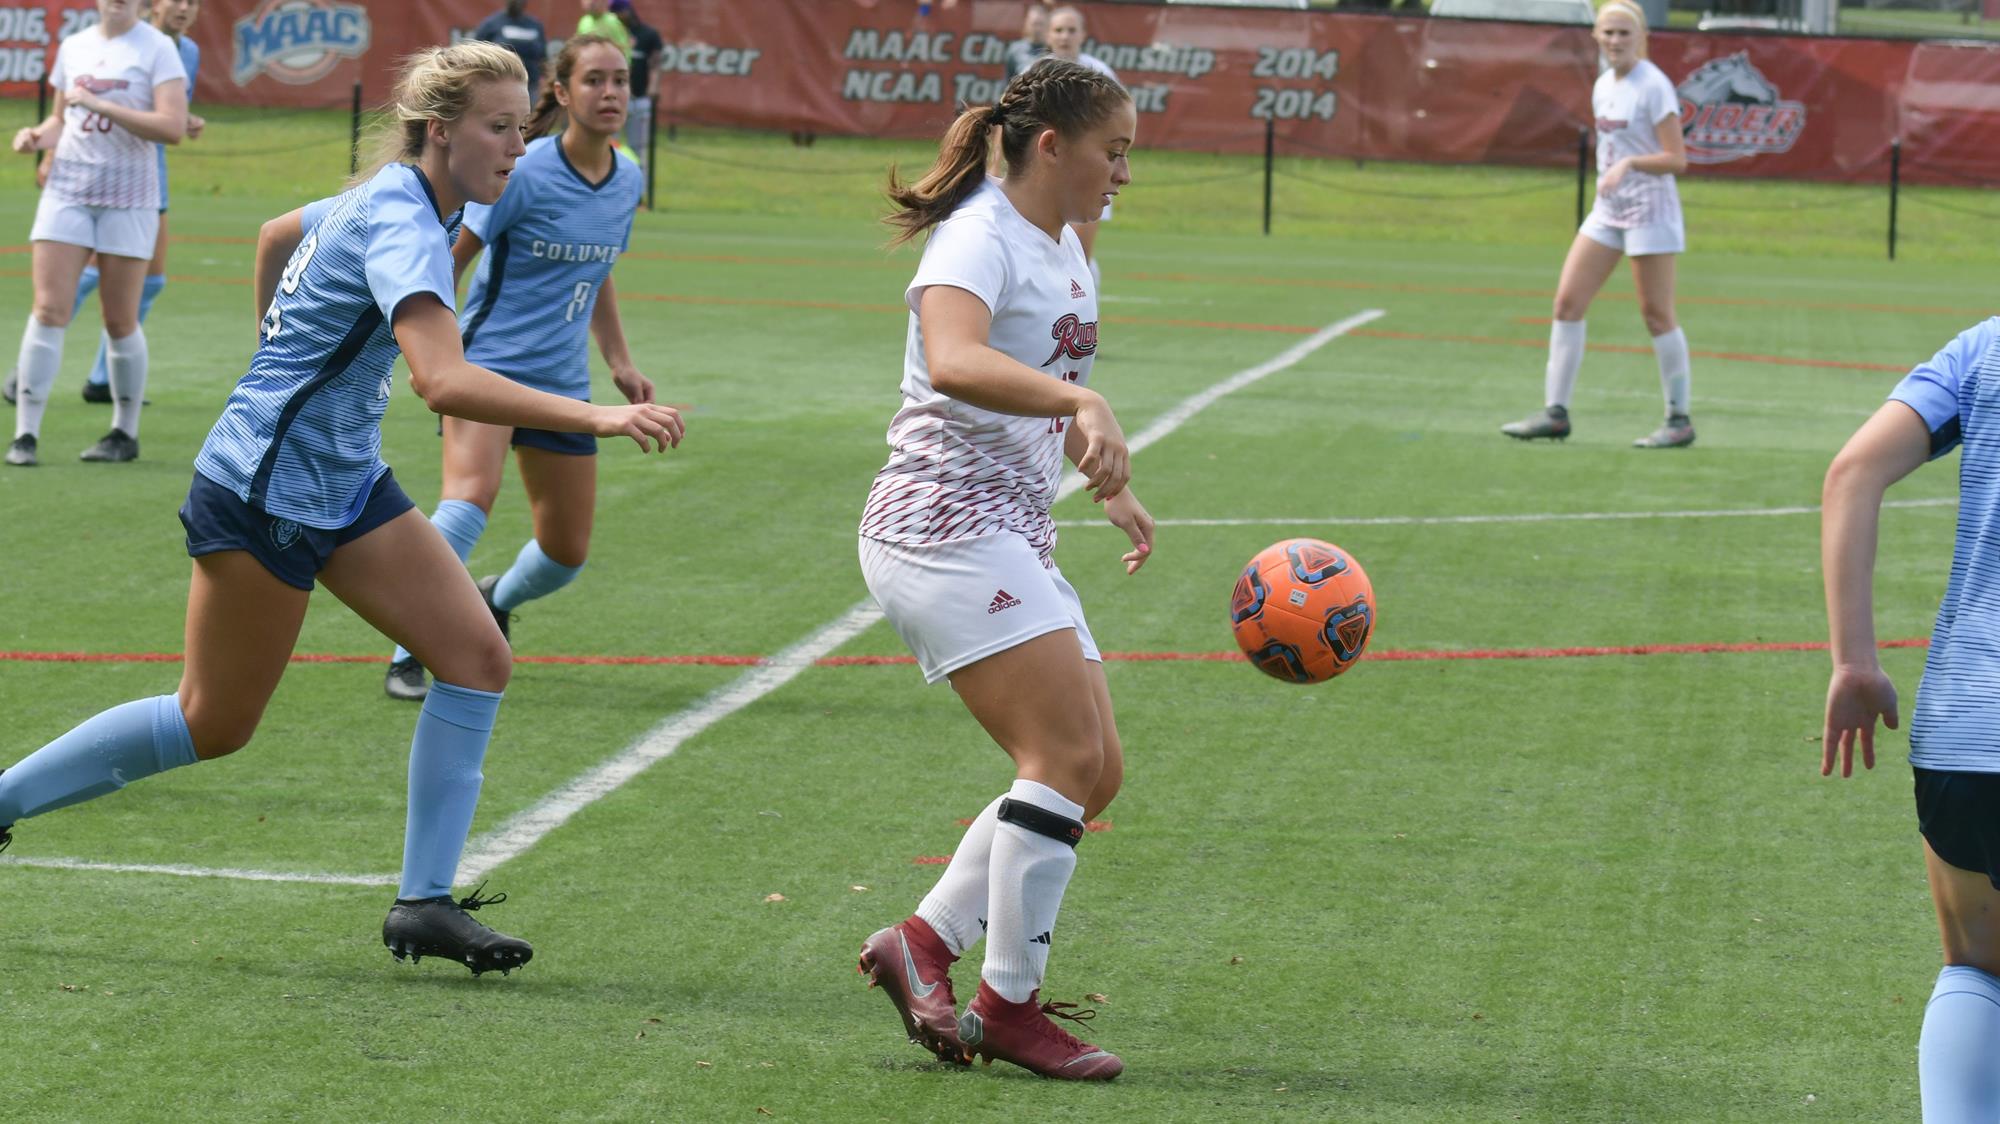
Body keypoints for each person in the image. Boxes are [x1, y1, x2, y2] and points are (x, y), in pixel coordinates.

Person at [0, 41, 683, 974]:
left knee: (477, 657)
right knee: (211, 722)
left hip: (342, 479)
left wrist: (275, 353)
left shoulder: (407, 196)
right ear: (439, 131)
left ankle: (424, 903)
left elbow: (275, 234)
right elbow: (442, 380)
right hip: (264, 490)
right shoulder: (405, 218)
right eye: (497, 127)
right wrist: (598, 413)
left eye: (521, 126)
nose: (517, 146)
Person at [854, 59, 1148, 1081]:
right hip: (937, 525)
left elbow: (1039, 377)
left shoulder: (1064, 239)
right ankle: (1007, 1005)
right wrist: (1083, 404)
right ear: (1052, 146)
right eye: (1114, 152)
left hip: (1008, 527)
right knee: (1060, 754)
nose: (1123, 173)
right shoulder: (977, 234)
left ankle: (921, 942)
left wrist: (1099, 475)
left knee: (1094, 771)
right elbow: (954, 358)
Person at [382, 34, 663, 702]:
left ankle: (496, 599)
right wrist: (430, 350)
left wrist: (620, 362)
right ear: (561, 92)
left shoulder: (627, 178)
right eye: (593, 80)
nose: (611, 93)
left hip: (563, 382)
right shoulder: (525, 169)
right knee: (467, 501)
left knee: (565, 554)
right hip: (488, 364)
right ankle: (408, 652)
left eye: (620, 80)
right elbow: (449, 258)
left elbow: (599, 270)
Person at [1820, 319, 2000, 1120]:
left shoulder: (1985, 348)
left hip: (1969, 723)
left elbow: (1852, 472)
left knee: (1976, 968)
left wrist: (1855, 662)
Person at [1499, 0, 1694, 449]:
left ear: (1641, 37)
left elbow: (1676, 159)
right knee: (1567, 303)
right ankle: (1555, 413)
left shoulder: (1653, 85)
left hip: (1650, 210)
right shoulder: (1604, 83)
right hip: (1608, 210)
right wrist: (1616, 172)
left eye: (1624, 33)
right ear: (1595, 37)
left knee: (1657, 314)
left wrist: (1630, 164)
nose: (1615, 41)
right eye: (1608, 32)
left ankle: (1678, 419)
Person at [6, 0, 186, 466]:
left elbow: (172, 127)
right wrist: (36, 136)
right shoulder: (75, 45)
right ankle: (25, 435)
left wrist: (102, 103)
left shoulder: (157, 48)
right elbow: (60, 121)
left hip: (130, 196)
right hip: (68, 191)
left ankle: (124, 433)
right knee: (48, 309)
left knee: (120, 319)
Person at [1038, 7, 1117, 284]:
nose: (1065, 36)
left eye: (1071, 30)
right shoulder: (1035, 72)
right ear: (1048, 35)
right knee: (1044, 249)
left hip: (1089, 173)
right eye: (1058, 30)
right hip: (1046, 173)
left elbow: (1116, 124)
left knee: (1079, 257)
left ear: (1083, 35)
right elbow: (1012, 123)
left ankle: (1083, 305)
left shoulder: (1099, 73)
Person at [613, 0, 662, 164]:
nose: (615, 16)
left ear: (627, 10)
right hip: (614, 99)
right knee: (609, 145)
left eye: (618, 11)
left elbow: (655, 63)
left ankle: (639, 179)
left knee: (638, 149)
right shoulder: (611, 33)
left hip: (639, 97)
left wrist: (653, 86)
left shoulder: (648, 34)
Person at [472, 0, 548, 90]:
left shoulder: (534, 25)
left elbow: (543, 57)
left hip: (530, 84)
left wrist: (545, 77)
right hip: (498, 82)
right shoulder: (491, 24)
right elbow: (476, 54)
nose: (516, 2)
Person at [1003, 3, 1049, 81]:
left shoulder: (1053, 49)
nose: (1037, 29)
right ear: (1027, 24)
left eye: (1040, 24)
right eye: (1034, 24)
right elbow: (1008, 80)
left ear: (1047, 25)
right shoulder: (1015, 50)